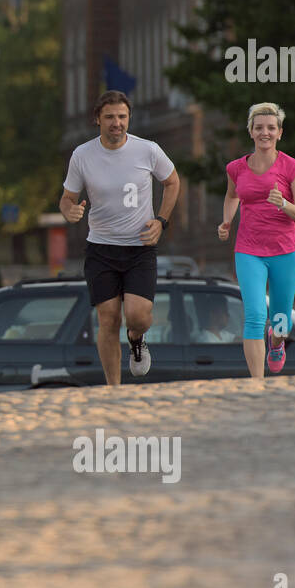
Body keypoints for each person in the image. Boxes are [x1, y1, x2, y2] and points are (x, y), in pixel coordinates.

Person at [60, 90, 180, 385]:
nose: (117, 123)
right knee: (108, 319)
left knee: (137, 317)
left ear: (129, 118)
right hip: (101, 248)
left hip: (139, 247)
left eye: (122, 117)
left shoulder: (148, 150)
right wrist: (70, 212)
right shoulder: (82, 155)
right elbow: (66, 198)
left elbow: (173, 181)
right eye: (110, 117)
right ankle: (114, 389)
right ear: (97, 119)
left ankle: (137, 339)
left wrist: (161, 221)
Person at [217, 102, 295, 376]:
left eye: (271, 128)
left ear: (280, 133)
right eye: (259, 128)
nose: (265, 133)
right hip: (249, 251)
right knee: (255, 316)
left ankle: (277, 343)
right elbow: (232, 195)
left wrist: (283, 203)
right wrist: (227, 220)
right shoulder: (236, 168)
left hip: (285, 251)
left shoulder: (292, 168)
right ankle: (257, 385)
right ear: (251, 132)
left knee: (281, 322)